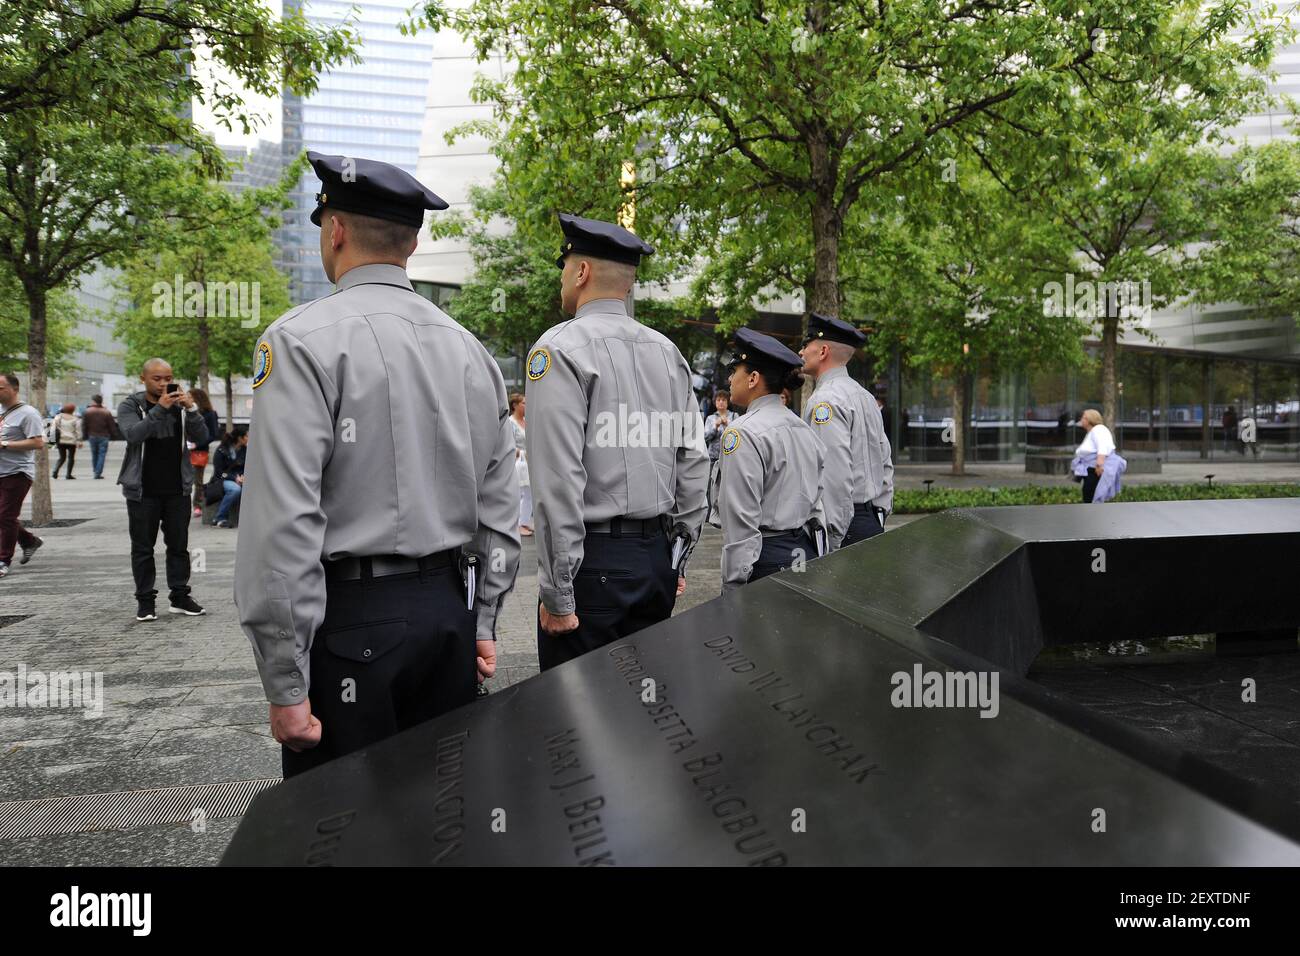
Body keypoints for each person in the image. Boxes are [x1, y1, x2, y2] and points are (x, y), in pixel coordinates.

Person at [235, 152, 520, 779]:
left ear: (333, 230)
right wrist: (484, 616)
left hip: (354, 627)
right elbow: (502, 504)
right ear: (412, 243)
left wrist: (285, 680)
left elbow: (282, 524)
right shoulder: (471, 351)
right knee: (441, 814)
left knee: (342, 828)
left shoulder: (299, 340)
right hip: (448, 612)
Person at [526, 212, 708, 671]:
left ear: (582, 271)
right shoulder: (669, 353)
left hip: (594, 565)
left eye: (564, 267)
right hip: (653, 561)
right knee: (650, 712)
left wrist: (558, 593)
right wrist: (677, 557)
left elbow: (558, 481)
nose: (563, 278)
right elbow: (693, 461)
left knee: (577, 722)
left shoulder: (558, 349)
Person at [716, 329, 825, 592]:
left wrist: (732, 586)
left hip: (763, 558)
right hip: (803, 550)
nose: (730, 379)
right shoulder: (803, 429)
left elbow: (741, 522)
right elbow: (818, 505)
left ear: (753, 378)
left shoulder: (742, 432)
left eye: (735, 370)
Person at [117, 358, 210, 621]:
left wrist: (191, 409)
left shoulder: (180, 406)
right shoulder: (131, 405)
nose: (164, 384)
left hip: (177, 488)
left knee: (179, 546)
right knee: (143, 548)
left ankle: (179, 597)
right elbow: (133, 434)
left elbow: (201, 438)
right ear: (143, 378)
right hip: (142, 490)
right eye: (157, 379)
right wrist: (159, 409)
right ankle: (145, 602)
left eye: (168, 378)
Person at [798, 313, 894, 549]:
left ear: (822, 352)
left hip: (843, 528)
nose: (800, 352)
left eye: (805, 345)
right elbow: (885, 461)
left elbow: (834, 477)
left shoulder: (825, 401)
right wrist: (879, 513)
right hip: (869, 520)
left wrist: (831, 541)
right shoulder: (865, 396)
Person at [0, 374, 46, 578]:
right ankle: (29, 541)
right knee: (3, 517)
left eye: (0, 387)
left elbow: (38, 443)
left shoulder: (28, 414)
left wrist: (5, 444)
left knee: (5, 516)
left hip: (17, 473)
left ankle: (3, 560)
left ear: (14, 389)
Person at [1071, 408, 1126, 503]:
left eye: (1084, 418)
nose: (1081, 420)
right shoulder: (1092, 432)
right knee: (1088, 494)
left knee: (1091, 495)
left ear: (1090, 419)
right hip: (1090, 469)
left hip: (1095, 470)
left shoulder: (1099, 429)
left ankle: (1092, 516)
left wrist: (1099, 465)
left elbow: (1102, 447)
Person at [189, 387, 222, 517]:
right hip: (183, 450)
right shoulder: (185, 411)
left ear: (198, 399)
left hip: (199, 451)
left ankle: (197, 504)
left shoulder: (210, 414)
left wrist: (197, 444)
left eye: (190, 397)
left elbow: (213, 434)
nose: (188, 399)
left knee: (197, 480)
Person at [211, 425, 248, 528]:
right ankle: (220, 518)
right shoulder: (222, 449)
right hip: (223, 479)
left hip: (239, 478)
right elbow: (218, 472)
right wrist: (234, 478)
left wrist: (243, 476)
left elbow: (247, 466)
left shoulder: (245, 450)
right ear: (240, 438)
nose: (248, 439)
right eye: (246, 436)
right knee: (235, 489)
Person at [509, 392, 532, 536]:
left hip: (529, 463)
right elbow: (509, 444)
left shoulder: (526, 421)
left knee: (529, 493)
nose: (526, 406)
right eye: (523, 403)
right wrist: (520, 452)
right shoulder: (511, 422)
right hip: (519, 463)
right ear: (515, 405)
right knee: (521, 494)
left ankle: (524, 521)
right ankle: (518, 524)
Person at [82, 394, 117, 480]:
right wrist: (114, 435)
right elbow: (112, 425)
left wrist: (84, 435)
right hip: (104, 436)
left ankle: (95, 470)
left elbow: (84, 425)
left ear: (93, 401)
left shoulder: (87, 411)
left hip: (92, 436)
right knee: (102, 455)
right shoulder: (106, 412)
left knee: (94, 454)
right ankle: (98, 472)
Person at [49, 402, 83, 479]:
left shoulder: (58, 417)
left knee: (62, 457)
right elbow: (78, 431)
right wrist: (79, 441)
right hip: (71, 441)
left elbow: (53, 428)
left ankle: (55, 471)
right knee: (71, 458)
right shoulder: (76, 419)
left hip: (61, 440)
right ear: (73, 410)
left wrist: (51, 440)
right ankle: (68, 474)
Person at [703, 389, 734, 461]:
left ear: (727, 402)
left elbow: (738, 435)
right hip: (713, 457)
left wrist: (727, 425)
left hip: (730, 456)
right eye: (718, 400)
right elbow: (705, 437)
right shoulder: (710, 418)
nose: (721, 402)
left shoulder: (734, 416)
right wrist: (715, 427)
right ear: (715, 402)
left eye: (723, 400)